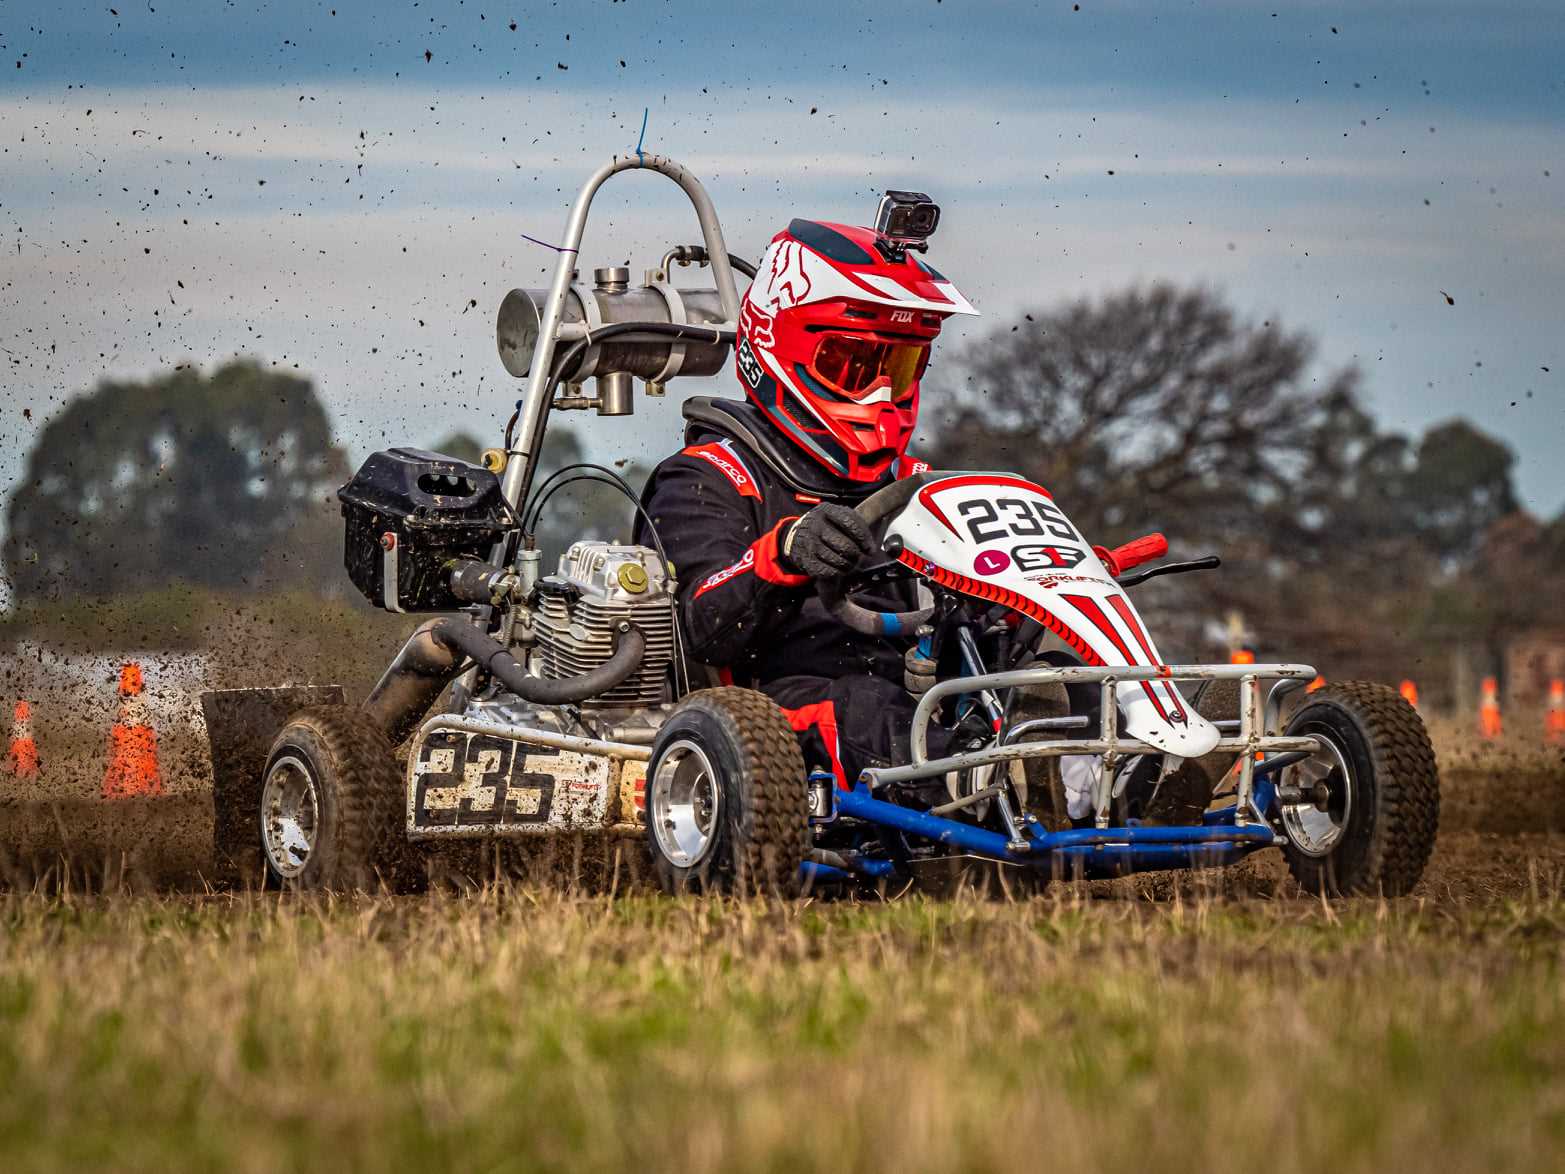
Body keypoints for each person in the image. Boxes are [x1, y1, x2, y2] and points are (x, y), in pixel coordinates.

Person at [637, 216, 977, 787]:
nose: (877, 393)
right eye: (852, 365)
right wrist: (786, 553)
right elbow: (697, 625)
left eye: (895, 369)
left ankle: (1108, 791)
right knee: (862, 706)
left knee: (1053, 681)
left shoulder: (918, 485)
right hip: (762, 718)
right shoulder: (706, 478)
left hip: (923, 698)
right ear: (780, 347)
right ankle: (982, 791)